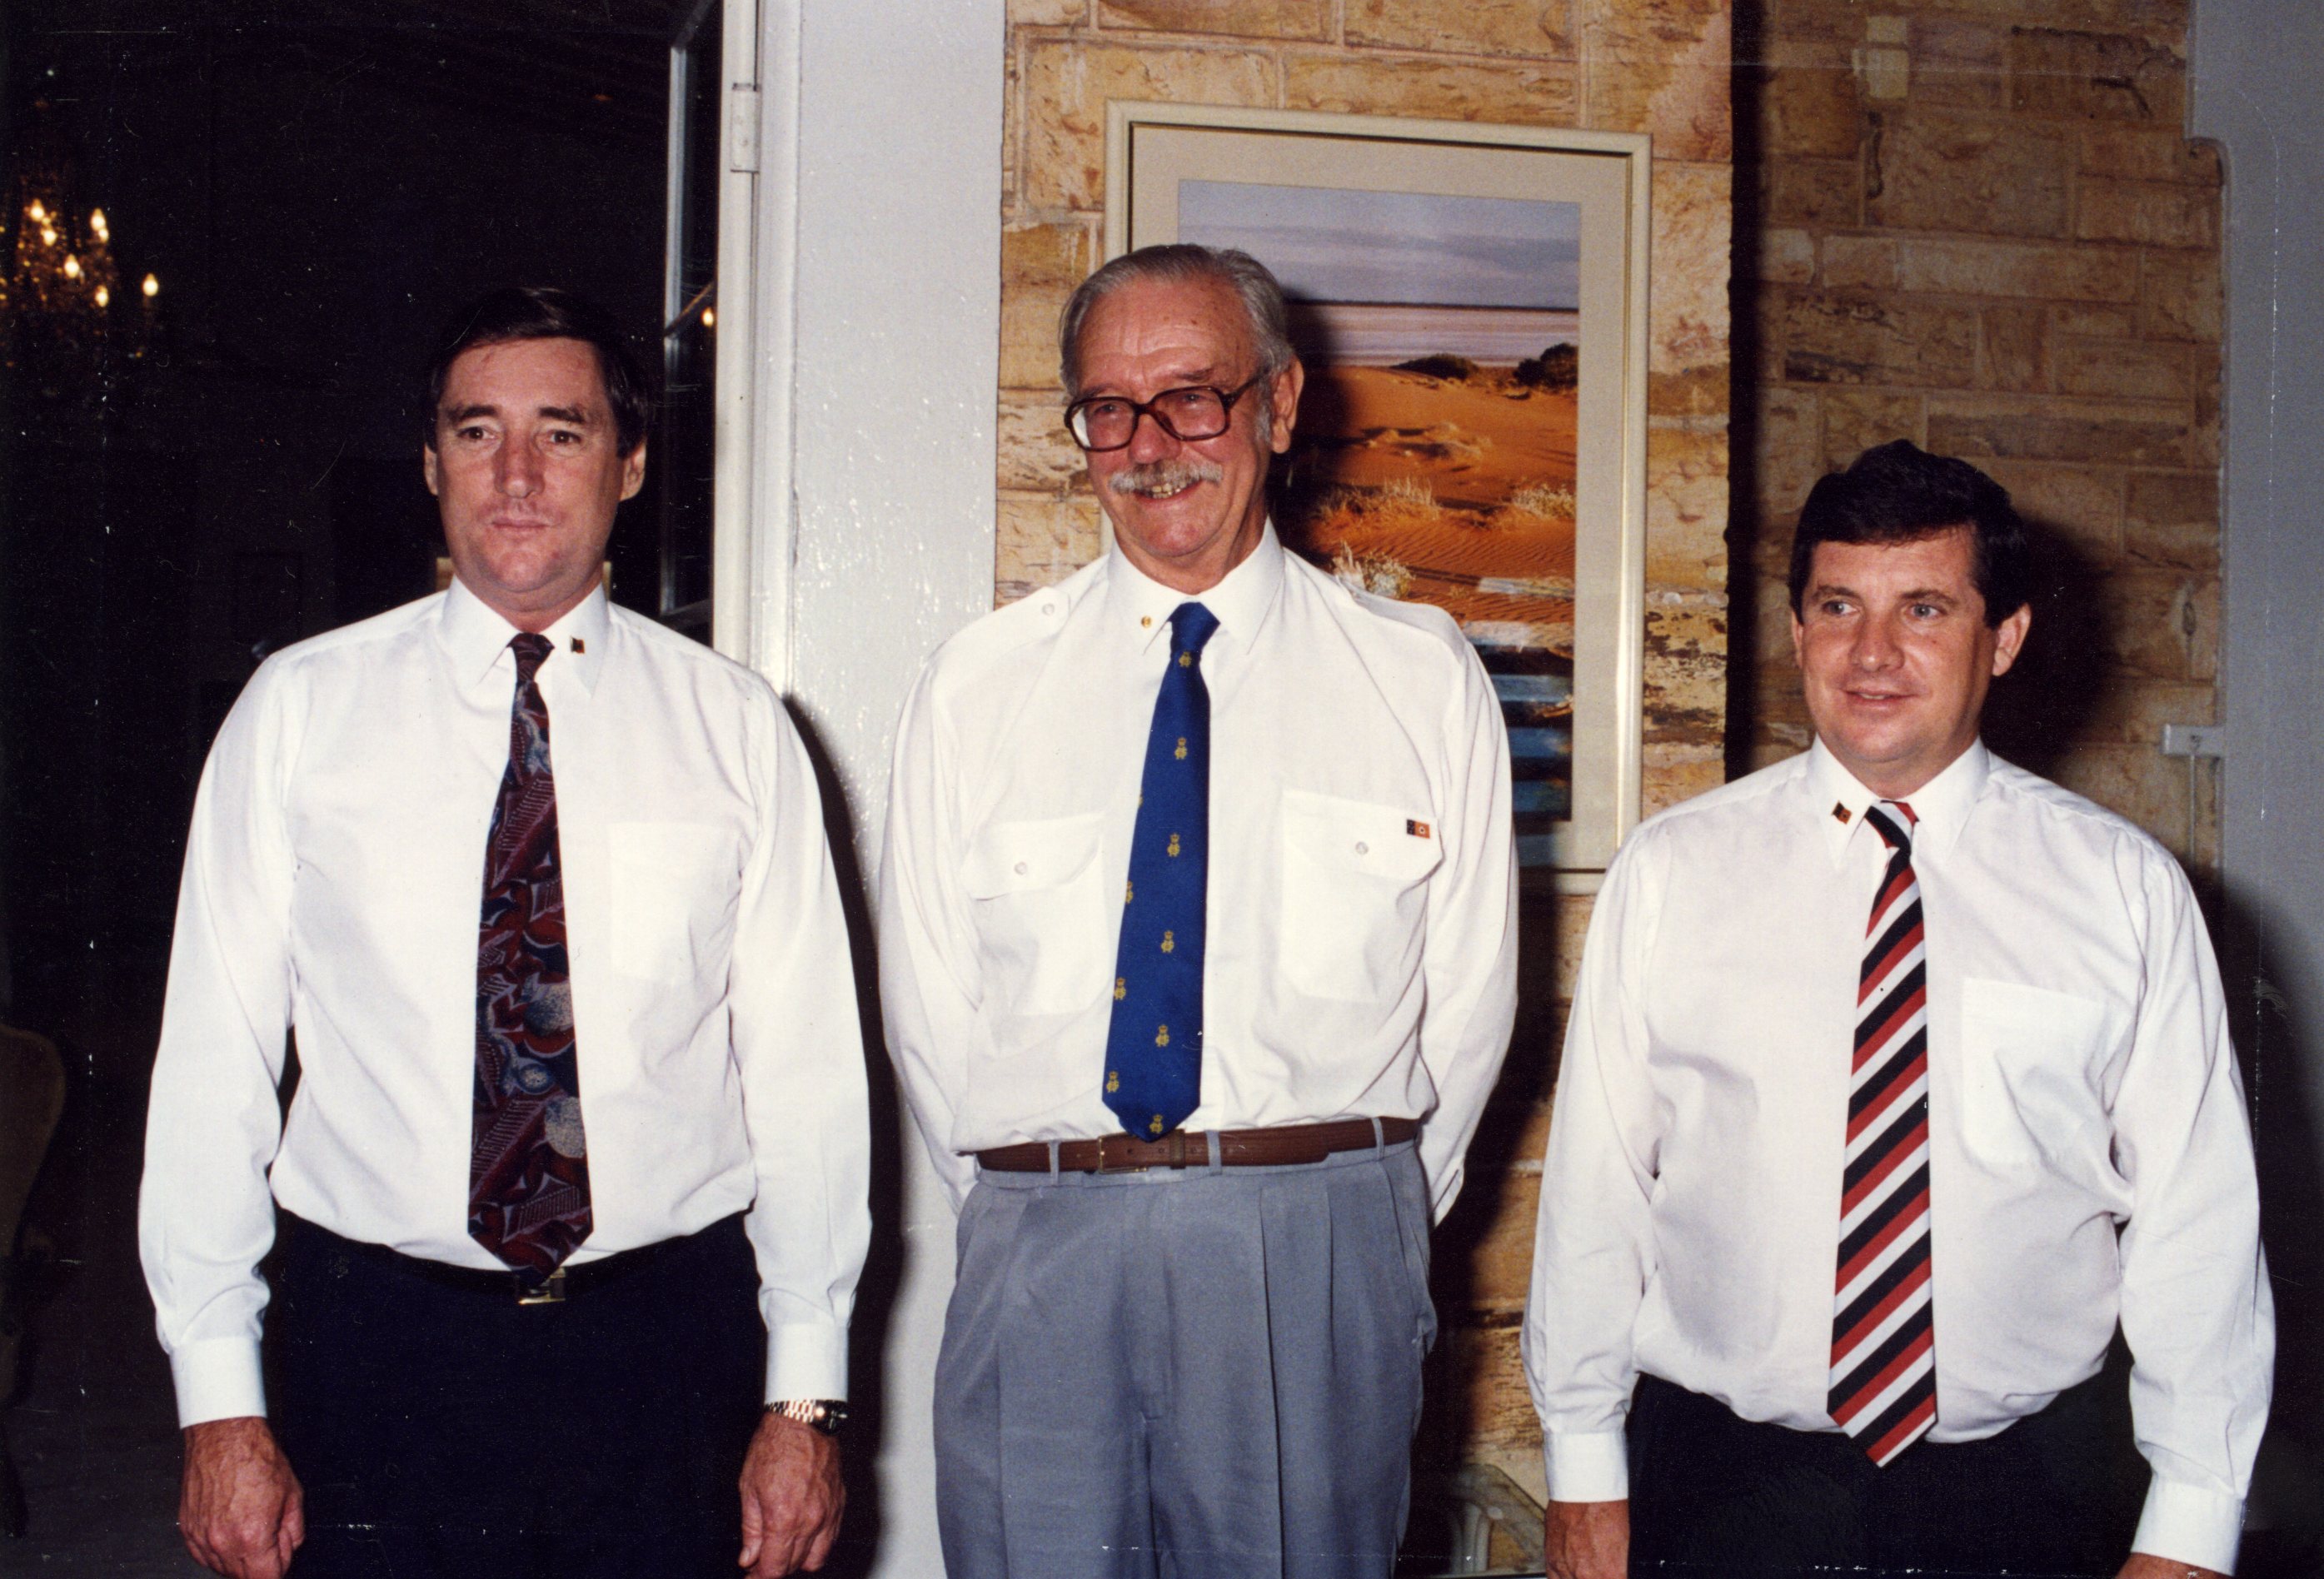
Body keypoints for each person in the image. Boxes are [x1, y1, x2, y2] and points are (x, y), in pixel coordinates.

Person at [139, 287, 870, 1579]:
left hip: (665, 1352)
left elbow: (810, 1081)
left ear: (631, 463)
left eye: (565, 432)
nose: (518, 475)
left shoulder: (738, 728)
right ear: (430, 463)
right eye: (478, 432)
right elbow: (211, 1069)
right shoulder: (298, 711)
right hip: (376, 1350)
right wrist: (219, 1400)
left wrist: (803, 1397)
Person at [877, 243, 1519, 1578]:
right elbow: (929, 1010)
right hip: (1042, 1250)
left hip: (1313, 1252)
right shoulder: (977, 685)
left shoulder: (1415, 677)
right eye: (1106, 408)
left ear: (1280, 409)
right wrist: (1051, 1204)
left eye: (1190, 399)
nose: (1148, 444)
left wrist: (1351, 1222)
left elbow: (1466, 1006)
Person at [1524, 439, 2274, 1579]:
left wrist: (2190, 1526)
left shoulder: (2120, 888)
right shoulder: (1672, 871)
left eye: (1922, 607)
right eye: (1837, 605)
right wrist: (1582, 1469)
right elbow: (1593, 1192)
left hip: (2032, 1493)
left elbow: (2198, 1226)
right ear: (1795, 632)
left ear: (2003, 636)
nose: (1870, 652)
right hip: (1725, 1489)